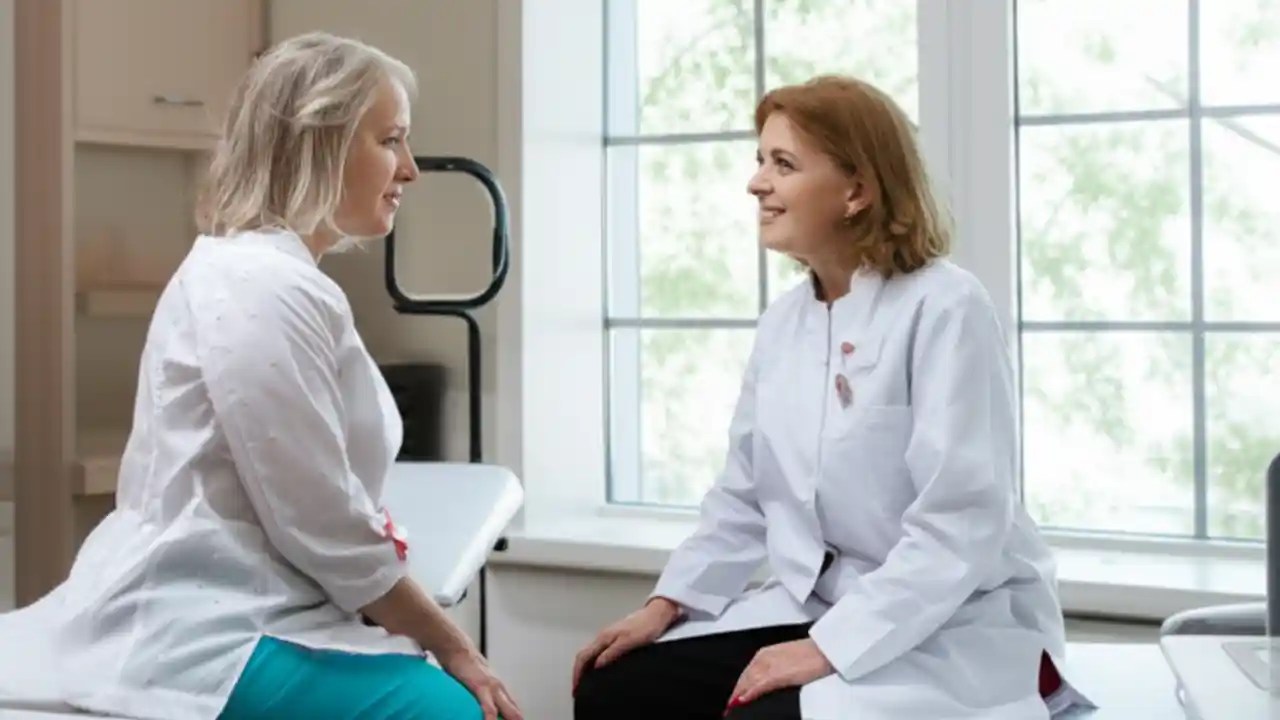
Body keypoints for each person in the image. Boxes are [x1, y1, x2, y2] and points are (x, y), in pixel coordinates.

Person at [0, 32, 521, 720]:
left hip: (259, 606)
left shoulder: (274, 277)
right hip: (206, 628)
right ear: (319, 144)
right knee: (452, 712)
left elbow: (323, 509)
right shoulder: (261, 286)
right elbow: (321, 519)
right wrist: (455, 645)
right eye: (391, 140)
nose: (411, 169)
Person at [572, 75, 1093, 719]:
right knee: (614, 686)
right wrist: (668, 603)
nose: (756, 183)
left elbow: (959, 523)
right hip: (818, 603)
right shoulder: (784, 323)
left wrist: (829, 647)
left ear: (857, 190)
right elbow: (744, 497)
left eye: (783, 164)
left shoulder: (946, 307)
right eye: (760, 161)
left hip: (949, 620)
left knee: (764, 716)